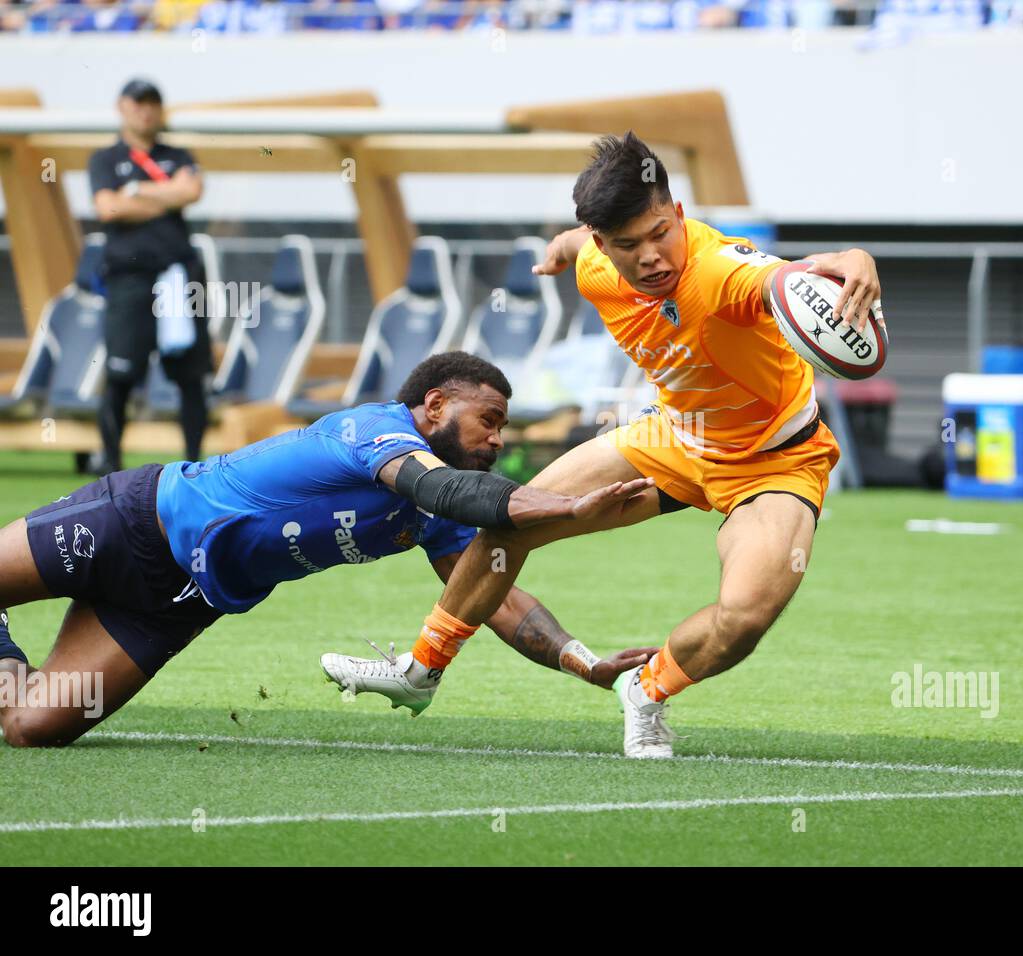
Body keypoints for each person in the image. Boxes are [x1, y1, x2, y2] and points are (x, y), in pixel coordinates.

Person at [324, 132, 883, 758]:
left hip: (776, 456)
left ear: (676, 214)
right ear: (600, 243)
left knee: (746, 614)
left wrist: (853, 257)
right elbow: (569, 242)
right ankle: (420, 670)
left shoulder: (722, 273)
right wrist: (559, 252)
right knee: (512, 515)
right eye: (627, 245)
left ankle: (648, 688)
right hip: (675, 436)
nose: (650, 256)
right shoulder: (591, 263)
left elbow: (786, 276)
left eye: (659, 233)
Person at [0, 352, 654, 748]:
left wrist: (580, 660)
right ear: (433, 406)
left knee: (32, 728)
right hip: (137, 522)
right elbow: (440, 486)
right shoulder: (374, 428)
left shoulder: (438, 516)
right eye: (489, 421)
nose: (495, 440)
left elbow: (494, 597)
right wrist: (568, 507)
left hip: (179, 602)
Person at [88, 78, 210, 474]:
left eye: (153, 102)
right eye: (138, 102)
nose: (146, 110)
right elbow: (108, 209)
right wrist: (163, 193)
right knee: (120, 373)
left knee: (191, 376)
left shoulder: (179, 154)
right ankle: (111, 464)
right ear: (122, 106)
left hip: (179, 275)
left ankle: (194, 465)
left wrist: (135, 194)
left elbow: (191, 192)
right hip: (129, 278)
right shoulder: (106, 158)